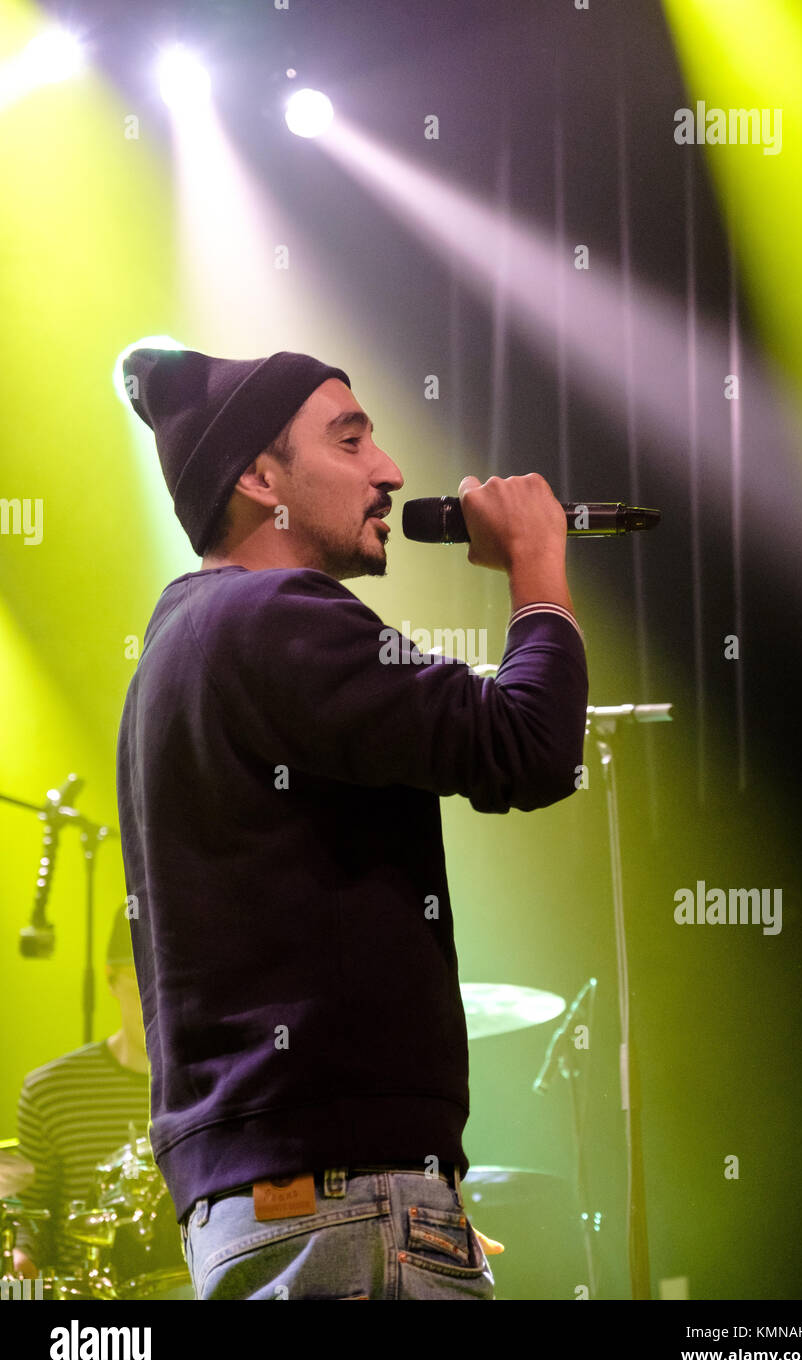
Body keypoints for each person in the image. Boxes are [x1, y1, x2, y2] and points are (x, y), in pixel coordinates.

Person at [116, 345, 589, 1300]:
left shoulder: (181, 642)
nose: (391, 471)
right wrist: (538, 565)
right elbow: (528, 746)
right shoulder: (276, 613)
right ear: (259, 477)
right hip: (342, 1208)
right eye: (350, 438)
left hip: (276, 1207)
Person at [12, 905, 150, 1281]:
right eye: (140, 980)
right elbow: (31, 1213)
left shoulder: (219, 1085)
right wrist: (20, 1257)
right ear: (110, 980)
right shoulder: (50, 1090)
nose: (156, 1000)